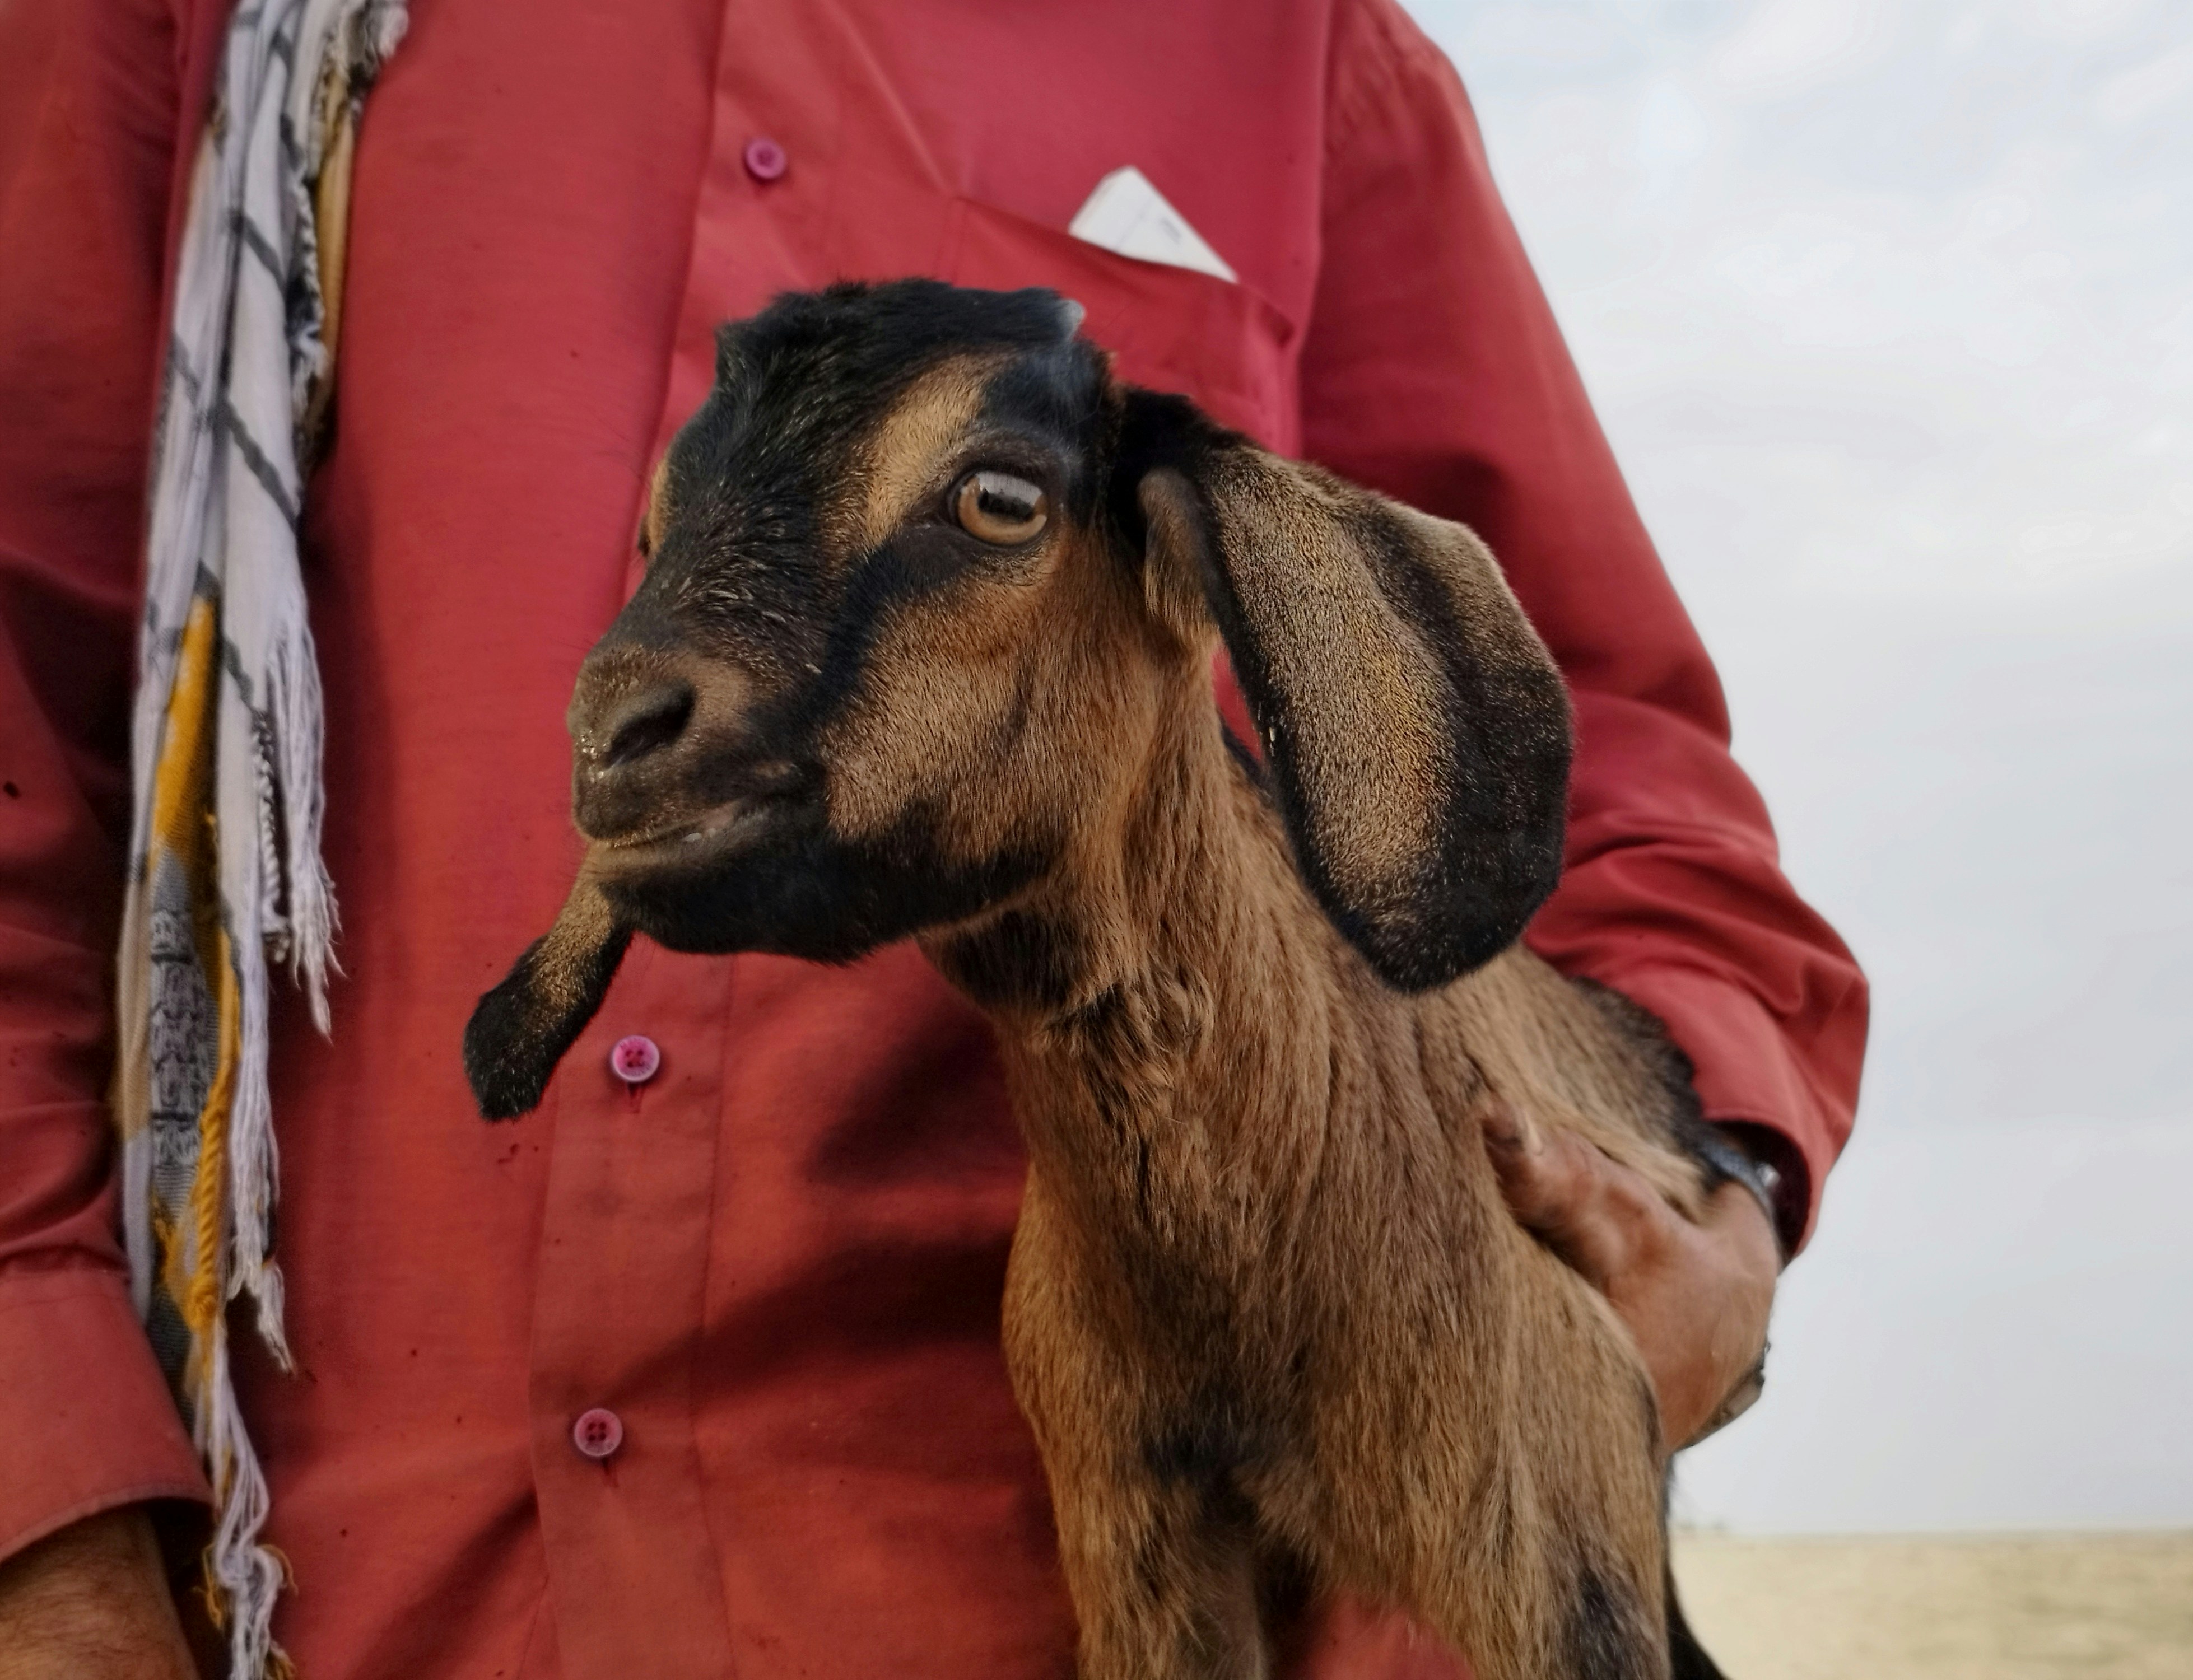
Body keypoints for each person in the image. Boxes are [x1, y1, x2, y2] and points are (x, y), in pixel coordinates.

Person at [0, 0, 1866, 1674]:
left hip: (1159, 1588)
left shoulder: (1294, 51)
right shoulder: (207, 32)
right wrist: (48, 1541)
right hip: (345, 1590)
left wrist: (1707, 1198)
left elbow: (1616, 779)